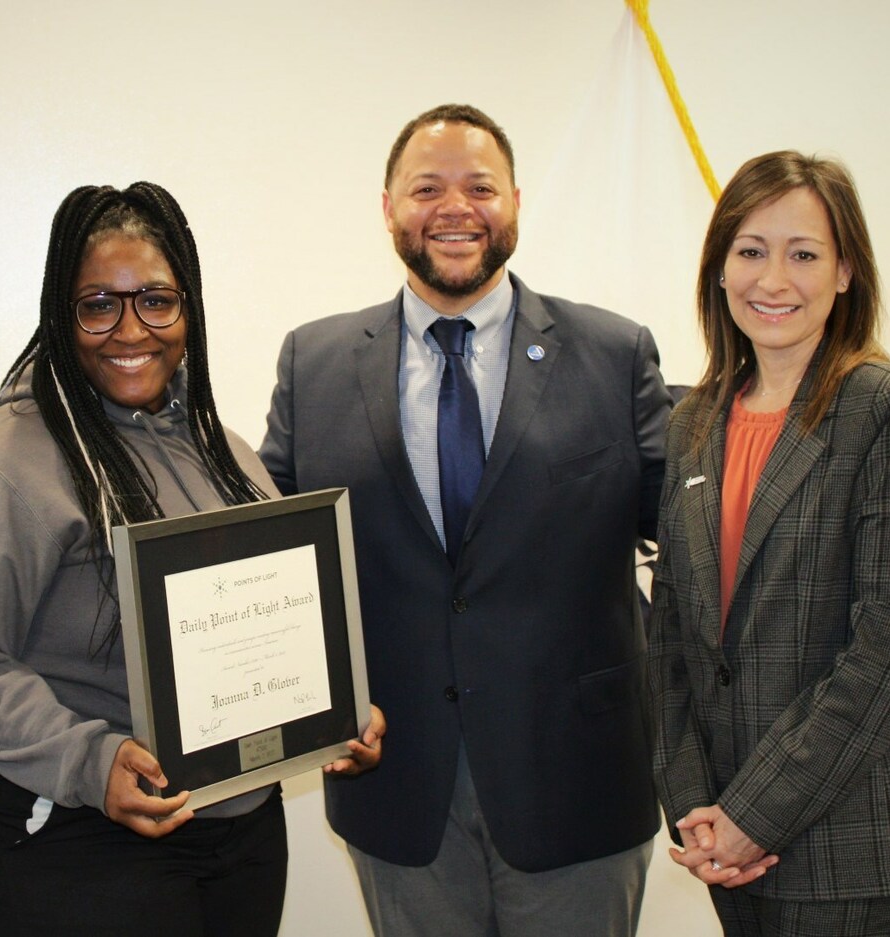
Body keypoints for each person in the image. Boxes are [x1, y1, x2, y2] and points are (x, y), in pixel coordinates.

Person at [0, 181, 385, 937]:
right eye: (99, 303)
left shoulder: (227, 453)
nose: (131, 329)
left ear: (188, 309)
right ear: (63, 313)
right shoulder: (3, 461)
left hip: (238, 833)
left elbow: (270, 616)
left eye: (156, 300)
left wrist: (330, 709)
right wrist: (89, 760)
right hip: (78, 833)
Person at [259, 103, 669, 936]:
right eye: (427, 188)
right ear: (387, 208)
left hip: (579, 785)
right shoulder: (315, 363)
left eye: (480, 187)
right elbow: (274, 562)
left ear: (516, 200)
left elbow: (691, 537)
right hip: (400, 787)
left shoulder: (616, 353)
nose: (455, 209)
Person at [646, 150, 890, 936]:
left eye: (804, 253)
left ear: (846, 270)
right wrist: (693, 804)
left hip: (853, 843)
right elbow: (673, 637)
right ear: (719, 269)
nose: (773, 279)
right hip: (728, 840)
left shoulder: (889, 409)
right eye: (750, 251)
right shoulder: (694, 423)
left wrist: (755, 815)